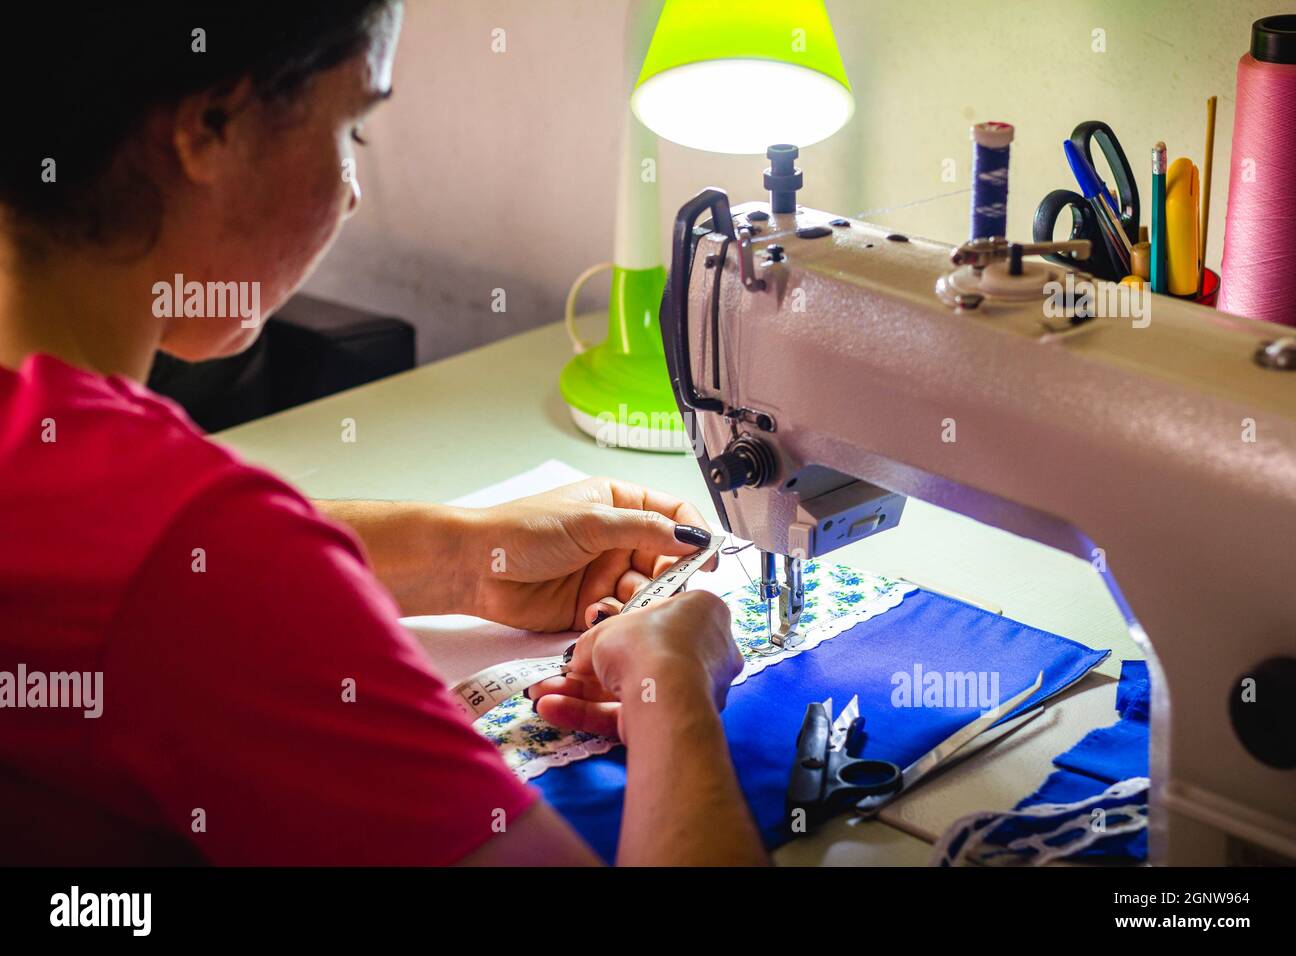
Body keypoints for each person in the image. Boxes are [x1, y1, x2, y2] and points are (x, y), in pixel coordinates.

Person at [0, 1, 766, 866]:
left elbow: (124, 564)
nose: (355, 187)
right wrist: (676, 691)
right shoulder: (188, 549)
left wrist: (464, 557)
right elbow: (185, 570)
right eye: (352, 128)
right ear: (209, 125)